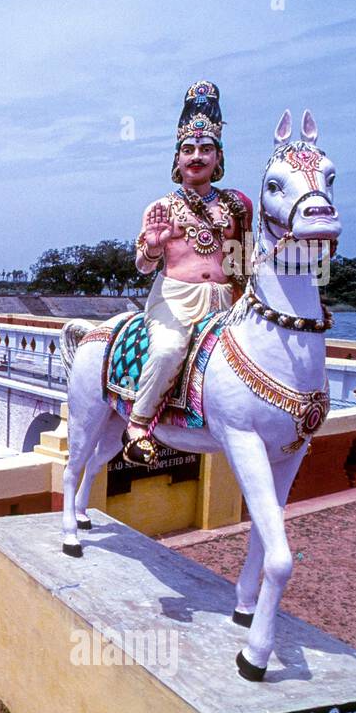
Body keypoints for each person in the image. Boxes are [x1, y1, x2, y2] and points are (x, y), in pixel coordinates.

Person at [125, 80, 252, 466]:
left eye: (205, 149)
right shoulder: (160, 207)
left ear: (218, 157)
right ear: (177, 159)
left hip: (226, 301)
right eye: (188, 149)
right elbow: (143, 267)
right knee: (168, 350)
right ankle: (138, 424)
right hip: (175, 300)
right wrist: (153, 245)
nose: (197, 155)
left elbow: (241, 264)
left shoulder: (236, 205)